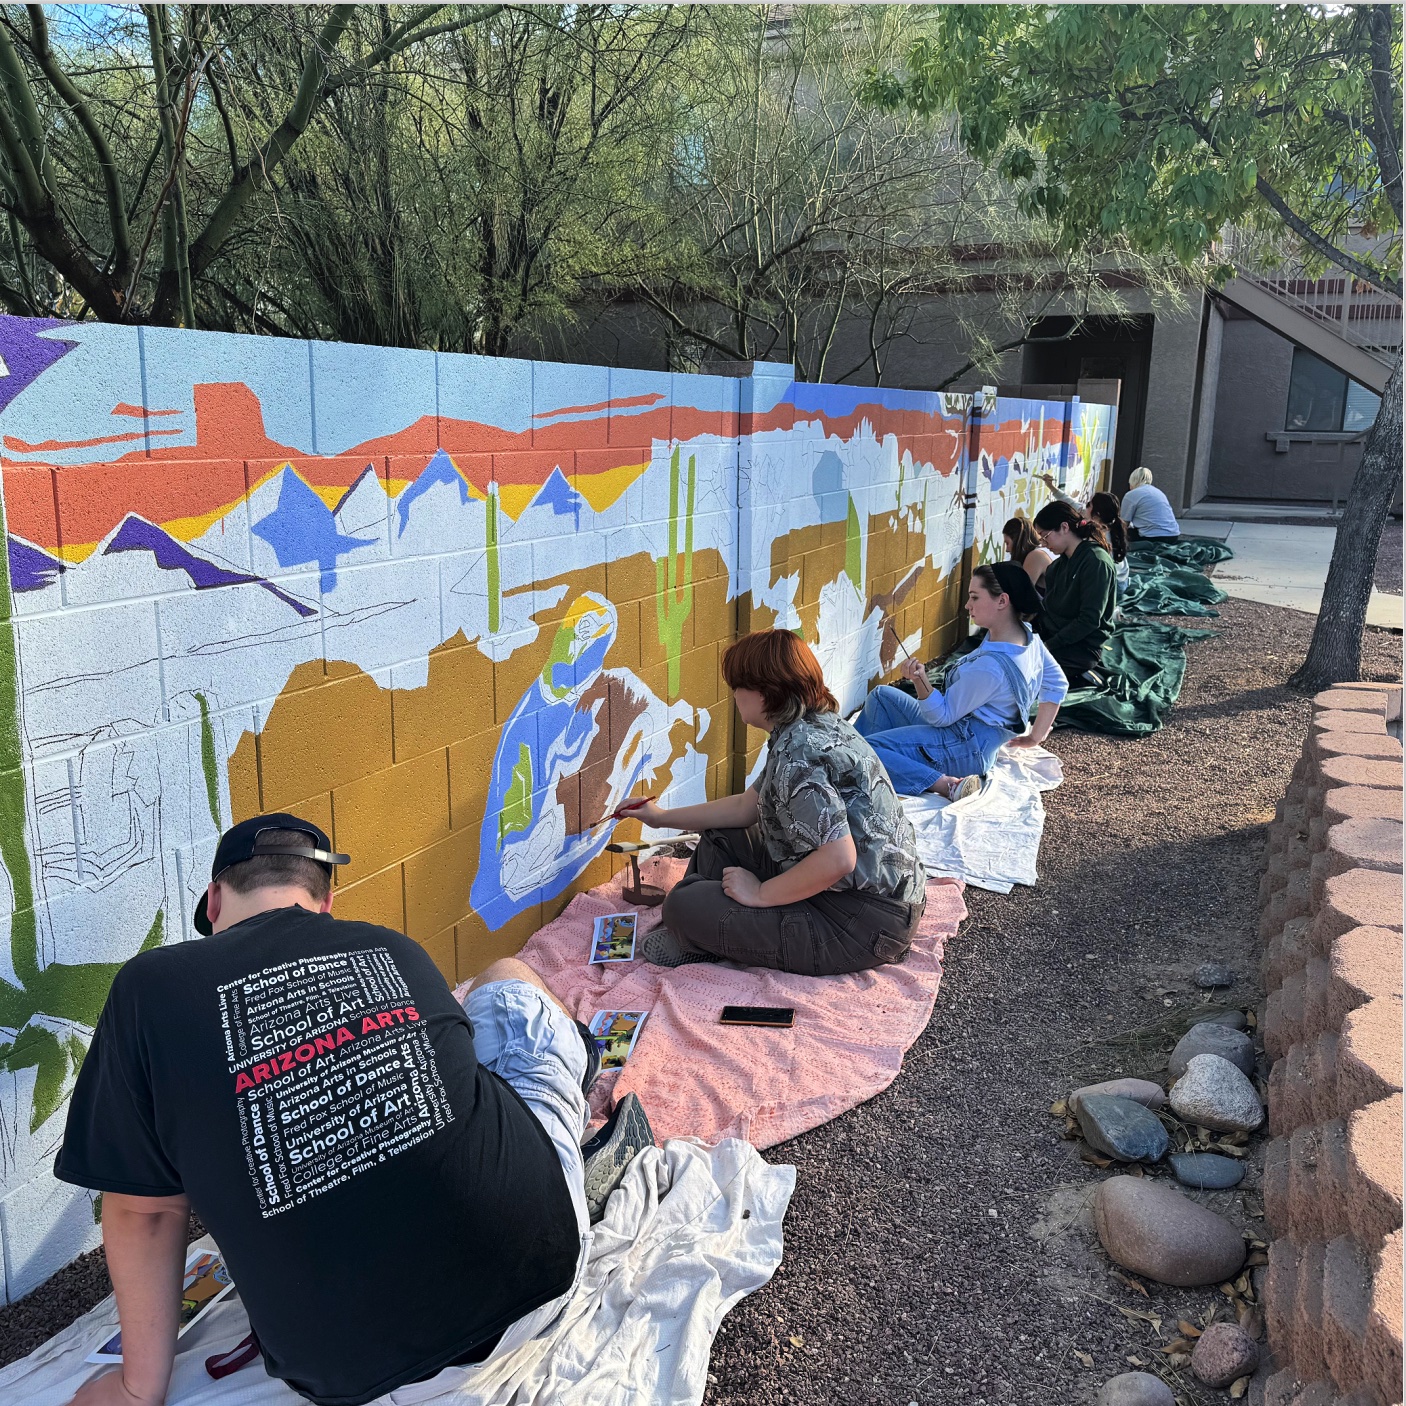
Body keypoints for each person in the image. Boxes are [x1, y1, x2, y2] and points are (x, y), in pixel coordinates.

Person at [58, 814, 653, 1406]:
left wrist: (138, 1389)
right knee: (505, 977)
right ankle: (573, 1064)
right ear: (325, 903)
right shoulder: (391, 947)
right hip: (542, 1278)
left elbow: (146, 1214)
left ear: (213, 901)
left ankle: (564, 1080)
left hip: (344, 1377)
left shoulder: (146, 989)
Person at [623, 630, 926, 976]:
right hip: (868, 903)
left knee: (679, 905)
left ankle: (700, 931)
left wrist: (761, 894)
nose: (735, 694)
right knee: (722, 835)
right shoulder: (808, 725)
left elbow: (839, 858)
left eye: (739, 685)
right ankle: (704, 934)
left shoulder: (798, 755)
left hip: (861, 924)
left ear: (767, 692)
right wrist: (659, 817)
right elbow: (744, 808)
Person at [853, 562, 1067, 799]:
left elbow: (942, 716)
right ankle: (856, 765)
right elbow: (1057, 683)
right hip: (969, 737)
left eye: (975, 597)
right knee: (882, 698)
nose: (968, 605)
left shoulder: (992, 667)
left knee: (867, 750)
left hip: (964, 749)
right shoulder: (1027, 637)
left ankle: (946, 785)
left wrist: (920, 680)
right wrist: (1035, 736)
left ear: (1002, 601)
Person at [1032, 500, 1119, 685]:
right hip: (1054, 636)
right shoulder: (1058, 565)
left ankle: (1084, 674)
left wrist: (1048, 646)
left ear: (1064, 527)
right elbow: (1050, 607)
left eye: (1045, 536)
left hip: (1081, 647)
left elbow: (1089, 620)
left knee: (1026, 670)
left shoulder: (1096, 562)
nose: (1044, 544)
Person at [1120, 466, 1181, 541]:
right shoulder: (1158, 492)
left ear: (1132, 481)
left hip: (1152, 537)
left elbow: (1124, 523)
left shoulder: (1131, 495)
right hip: (1173, 535)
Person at [1003, 515, 1057, 592]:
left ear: (1017, 541)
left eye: (1007, 543)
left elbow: (1020, 594)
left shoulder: (1036, 556)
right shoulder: (1041, 551)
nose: (1007, 550)